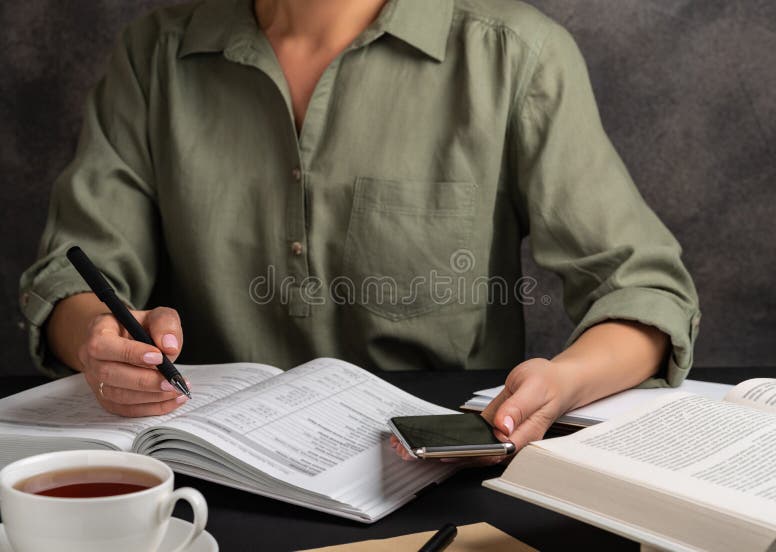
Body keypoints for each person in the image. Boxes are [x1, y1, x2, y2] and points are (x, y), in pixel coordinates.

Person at [19, 0, 700, 454]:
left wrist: (564, 382)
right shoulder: (152, 56)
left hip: (436, 480)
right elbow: (70, 275)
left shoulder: (516, 56)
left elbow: (643, 292)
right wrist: (99, 343)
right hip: (206, 471)